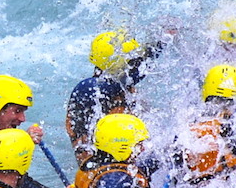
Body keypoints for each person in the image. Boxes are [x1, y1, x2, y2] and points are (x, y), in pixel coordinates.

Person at [64, 29, 167, 167]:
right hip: (103, 170)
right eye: (132, 61)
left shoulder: (120, 90)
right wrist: (160, 44)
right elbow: (133, 74)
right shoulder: (89, 90)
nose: (136, 65)